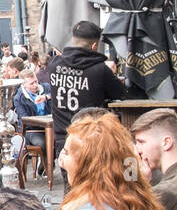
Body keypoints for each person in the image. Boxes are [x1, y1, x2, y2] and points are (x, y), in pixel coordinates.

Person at [47, 20, 126, 163]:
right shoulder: (100, 70)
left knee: (70, 177)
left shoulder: (54, 65)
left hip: (63, 139)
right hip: (92, 139)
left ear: (73, 40)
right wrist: (112, 74)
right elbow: (121, 94)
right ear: (94, 45)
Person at [13, 67, 51, 153]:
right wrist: (41, 121)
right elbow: (24, 119)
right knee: (43, 143)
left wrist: (46, 97)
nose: (35, 85)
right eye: (31, 83)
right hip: (32, 130)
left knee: (62, 139)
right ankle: (45, 162)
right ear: (23, 84)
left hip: (50, 127)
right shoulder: (19, 98)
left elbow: (56, 94)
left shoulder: (46, 87)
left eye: (36, 81)